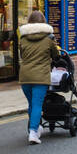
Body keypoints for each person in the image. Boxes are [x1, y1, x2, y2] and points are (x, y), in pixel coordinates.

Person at [18, 11, 61, 145]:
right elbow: (56, 55)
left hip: (25, 76)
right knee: (37, 105)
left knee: (31, 104)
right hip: (40, 76)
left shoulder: (23, 39)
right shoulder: (49, 39)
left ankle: (35, 129)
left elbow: (22, 55)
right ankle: (33, 132)